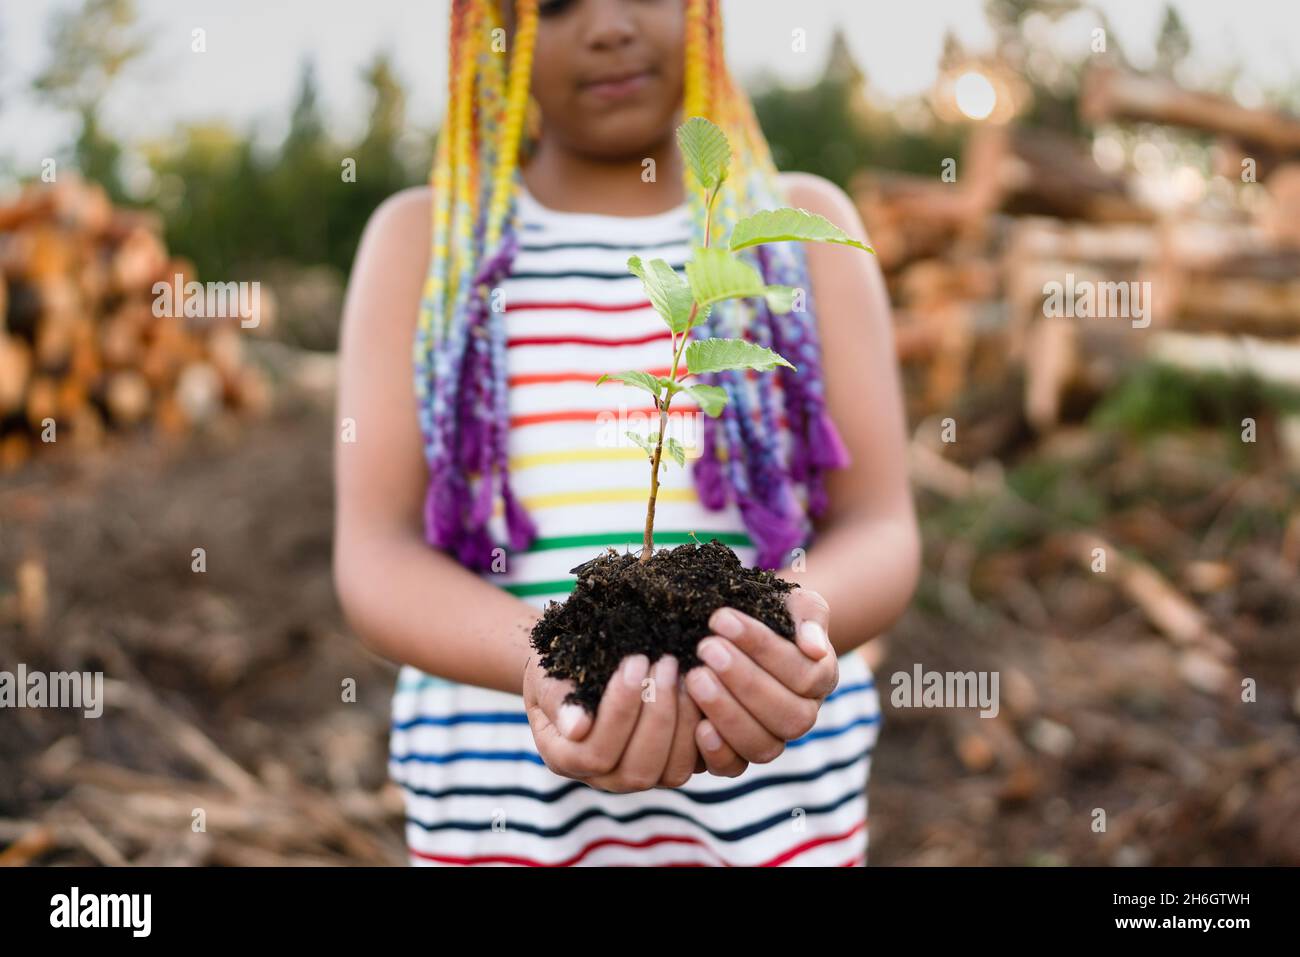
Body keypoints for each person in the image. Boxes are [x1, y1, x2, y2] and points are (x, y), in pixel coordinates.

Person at [334, 0, 919, 866]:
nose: (607, 26)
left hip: (779, 825)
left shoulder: (799, 238)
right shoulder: (430, 244)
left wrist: (792, 633)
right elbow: (374, 554)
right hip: (500, 820)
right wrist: (541, 660)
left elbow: (880, 524)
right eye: (558, 4)